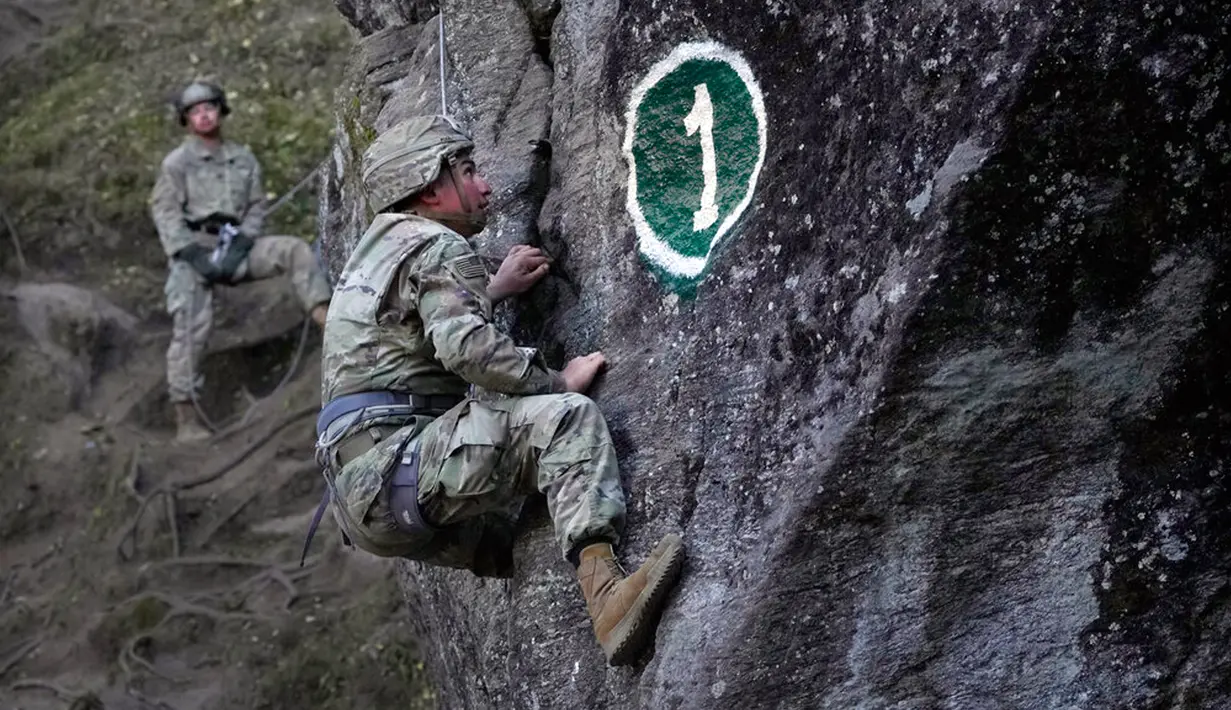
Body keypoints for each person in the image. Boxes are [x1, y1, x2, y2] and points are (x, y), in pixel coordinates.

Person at [312, 115, 684, 666]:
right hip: (398, 468)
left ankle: (544, 555)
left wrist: (493, 289)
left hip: (369, 496)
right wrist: (557, 381)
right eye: (468, 170)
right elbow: (467, 352)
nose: (485, 184)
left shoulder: (378, 251)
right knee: (565, 420)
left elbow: (416, 335)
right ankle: (608, 601)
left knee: (524, 522)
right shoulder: (435, 246)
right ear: (432, 188)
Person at [149, 81, 333, 443]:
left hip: (235, 245)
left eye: (209, 108)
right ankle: (186, 417)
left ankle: (329, 322)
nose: (203, 115)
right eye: (195, 111)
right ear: (186, 120)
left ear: (220, 111)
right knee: (189, 323)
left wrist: (244, 240)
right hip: (194, 249)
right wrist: (191, 254)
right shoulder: (177, 163)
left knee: (294, 249)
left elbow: (255, 207)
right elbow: (165, 212)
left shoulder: (242, 158)